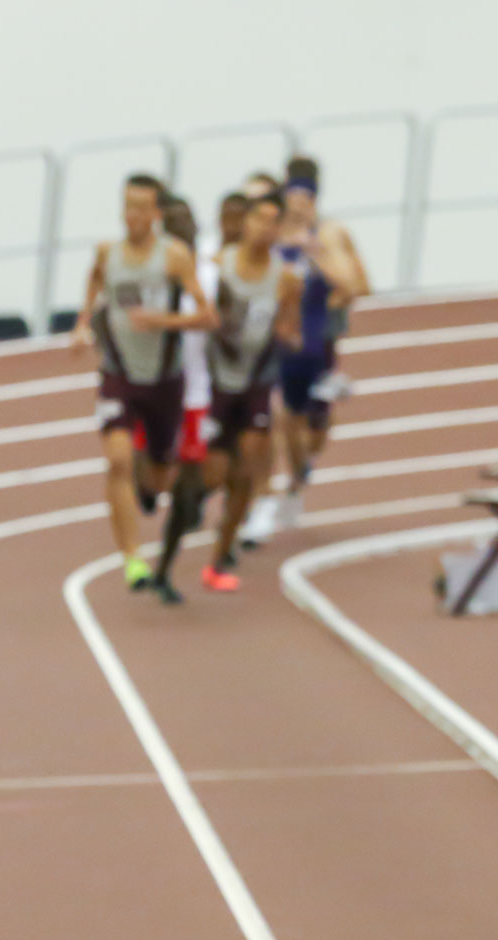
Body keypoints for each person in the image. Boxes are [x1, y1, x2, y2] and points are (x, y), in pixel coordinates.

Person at [70, 174, 218, 590]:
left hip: (165, 379)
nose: (132, 216)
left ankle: (145, 475)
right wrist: (83, 325)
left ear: (155, 214)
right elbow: (95, 283)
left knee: (158, 477)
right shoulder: (107, 254)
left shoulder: (174, 257)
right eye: (127, 206)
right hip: (118, 372)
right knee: (115, 459)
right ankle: (132, 558)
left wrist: (162, 321)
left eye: (141, 208)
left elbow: (208, 318)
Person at [241, 154, 367, 544]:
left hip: (318, 339)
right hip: (273, 342)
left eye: (304, 197)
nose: (298, 205)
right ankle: (263, 501)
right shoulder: (269, 234)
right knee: (274, 418)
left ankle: (299, 474)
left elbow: (356, 286)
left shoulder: (330, 234)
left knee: (310, 428)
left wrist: (318, 273)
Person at [200, 192, 300, 591]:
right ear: (246, 224)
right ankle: (196, 504)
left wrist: (291, 337)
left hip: (256, 381)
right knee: (212, 474)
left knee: (247, 468)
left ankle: (221, 553)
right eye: (259, 220)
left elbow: (288, 329)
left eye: (274, 222)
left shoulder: (286, 278)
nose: (265, 229)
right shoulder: (216, 268)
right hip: (214, 381)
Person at [147, 194, 219, 604]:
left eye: (189, 224)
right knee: (149, 482)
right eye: (175, 227)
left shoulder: (208, 278)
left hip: (195, 395)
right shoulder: (147, 273)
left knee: (189, 492)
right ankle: (147, 489)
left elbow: (222, 323)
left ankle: (163, 571)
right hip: (150, 393)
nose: (185, 232)